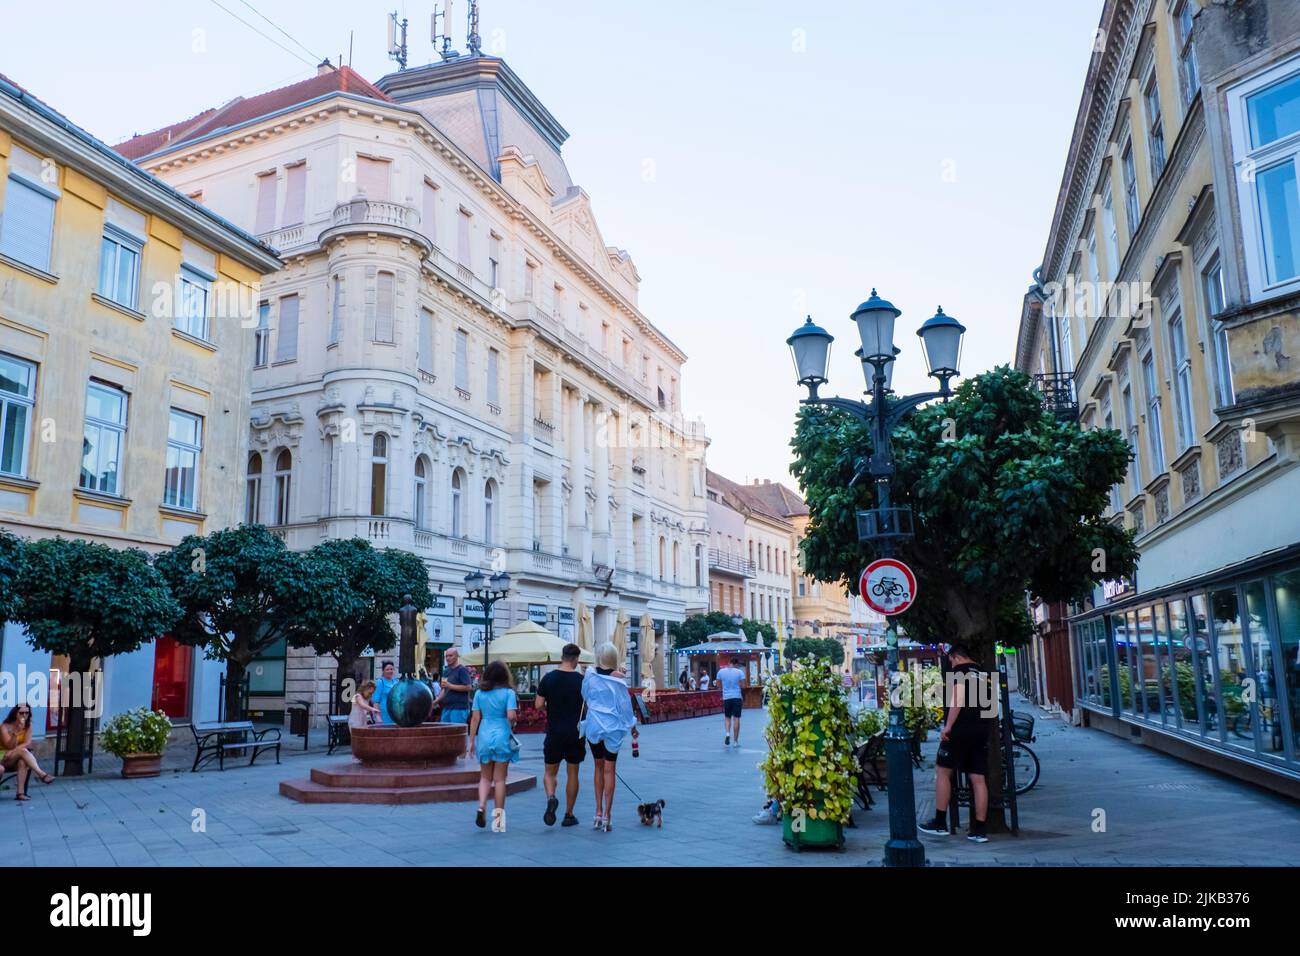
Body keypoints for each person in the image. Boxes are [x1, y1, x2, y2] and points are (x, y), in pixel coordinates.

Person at [919, 643, 993, 843]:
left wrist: (948, 726)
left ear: (956, 657)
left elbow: (957, 701)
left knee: (943, 771)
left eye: (950, 660)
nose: (950, 665)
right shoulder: (985, 674)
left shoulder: (959, 672)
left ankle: (940, 822)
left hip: (959, 731)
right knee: (978, 779)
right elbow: (990, 707)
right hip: (981, 731)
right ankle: (980, 830)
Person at [581, 642, 638, 832]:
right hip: (613, 728)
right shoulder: (619, 681)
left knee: (597, 767)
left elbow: (585, 696)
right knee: (609, 770)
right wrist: (633, 726)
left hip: (594, 725)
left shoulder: (589, 676)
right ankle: (607, 815)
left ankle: (597, 812)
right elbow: (625, 706)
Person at [536, 643, 585, 827]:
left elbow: (538, 704)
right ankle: (569, 814)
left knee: (550, 773)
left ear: (562, 656)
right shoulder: (582, 680)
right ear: (576, 659)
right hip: (575, 732)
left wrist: (551, 706)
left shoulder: (548, 678)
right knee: (573, 773)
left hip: (554, 731)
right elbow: (587, 705)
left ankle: (551, 797)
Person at [469, 660, 519, 831]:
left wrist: (471, 742)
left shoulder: (479, 694)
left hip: (483, 735)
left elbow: (475, 719)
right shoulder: (508, 693)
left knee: (484, 777)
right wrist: (513, 723)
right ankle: (498, 821)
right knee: (499, 780)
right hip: (502, 736)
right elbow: (511, 715)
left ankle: (481, 806)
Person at [2, 705, 53, 801]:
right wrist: (16, 731)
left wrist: (14, 751)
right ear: (15, 713)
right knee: (23, 752)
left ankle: (20, 793)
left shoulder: (28, 726)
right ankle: (41, 774)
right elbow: (9, 746)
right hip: (3, 757)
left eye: (27, 713)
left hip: (14, 756)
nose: (24, 715)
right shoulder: (5, 726)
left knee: (23, 761)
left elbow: (27, 743)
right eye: (21, 713)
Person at [715, 655, 747, 748]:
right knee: (736, 718)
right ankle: (736, 741)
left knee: (727, 717)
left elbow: (718, 684)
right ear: (736, 664)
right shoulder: (739, 672)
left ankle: (728, 734)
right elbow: (743, 686)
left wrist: (724, 688)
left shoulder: (721, 671)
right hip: (737, 697)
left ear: (729, 663)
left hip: (727, 697)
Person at [437, 648, 473, 726]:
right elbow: (444, 689)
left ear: (456, 656)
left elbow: (468, 687)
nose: (448, 658)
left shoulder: (462, 670)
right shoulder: (446, 671)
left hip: (459, 708)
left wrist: (450, 686)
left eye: (450, 656)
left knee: (456, 732)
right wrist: (435, 701)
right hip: (446, 707)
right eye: (446, 656)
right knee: (444, 733)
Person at [373, 660, 398, 725]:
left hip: (396, 712)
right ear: (383, 671)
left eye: (391, 669)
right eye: (387, 669)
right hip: (384, 713)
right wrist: (378, 717)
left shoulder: (396, 681)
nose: (390, 671)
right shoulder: (380, 682)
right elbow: (376, 701)